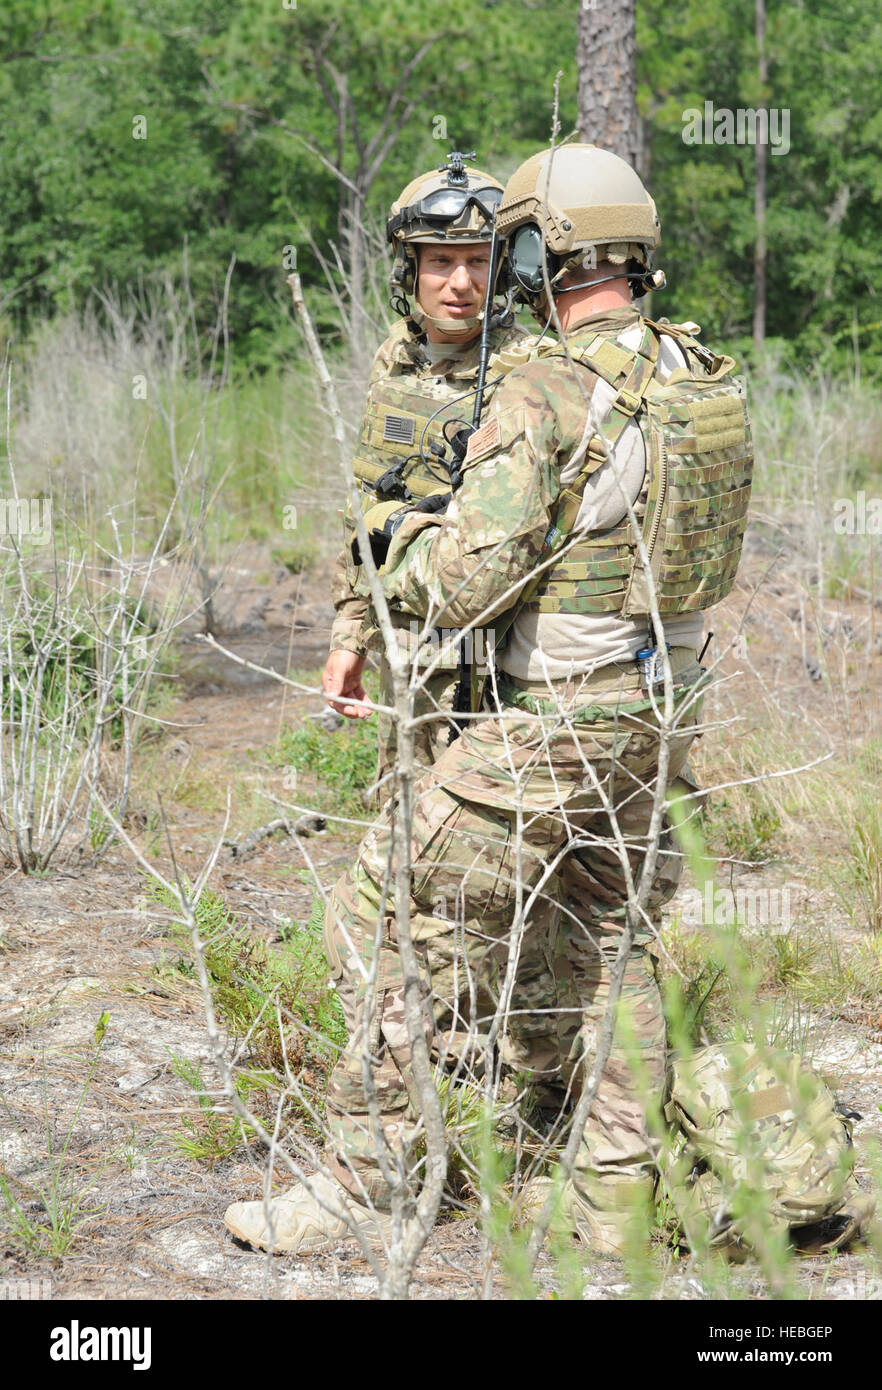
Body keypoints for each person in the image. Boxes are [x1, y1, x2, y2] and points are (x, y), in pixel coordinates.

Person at [224, 144, 754, 1256]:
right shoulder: (703, 374)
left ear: (535, 251)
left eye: (499, 247)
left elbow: (467, 583)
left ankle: (362, 1185)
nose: (476, 276)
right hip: (662, 718)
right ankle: (611, 1207)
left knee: (396, 902)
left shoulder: (545, 384)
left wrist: (398, 540)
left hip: (556, 718)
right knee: (614, 939)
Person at [321, 152, 538, 793]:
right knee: (405, 805)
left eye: (479, 261)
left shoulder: (533, 371)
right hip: (408, 643)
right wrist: (350, 639)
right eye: (440, 262)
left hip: (504, 653)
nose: (460, 283)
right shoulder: (397, 358)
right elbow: (370, 505)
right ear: (410, 270)